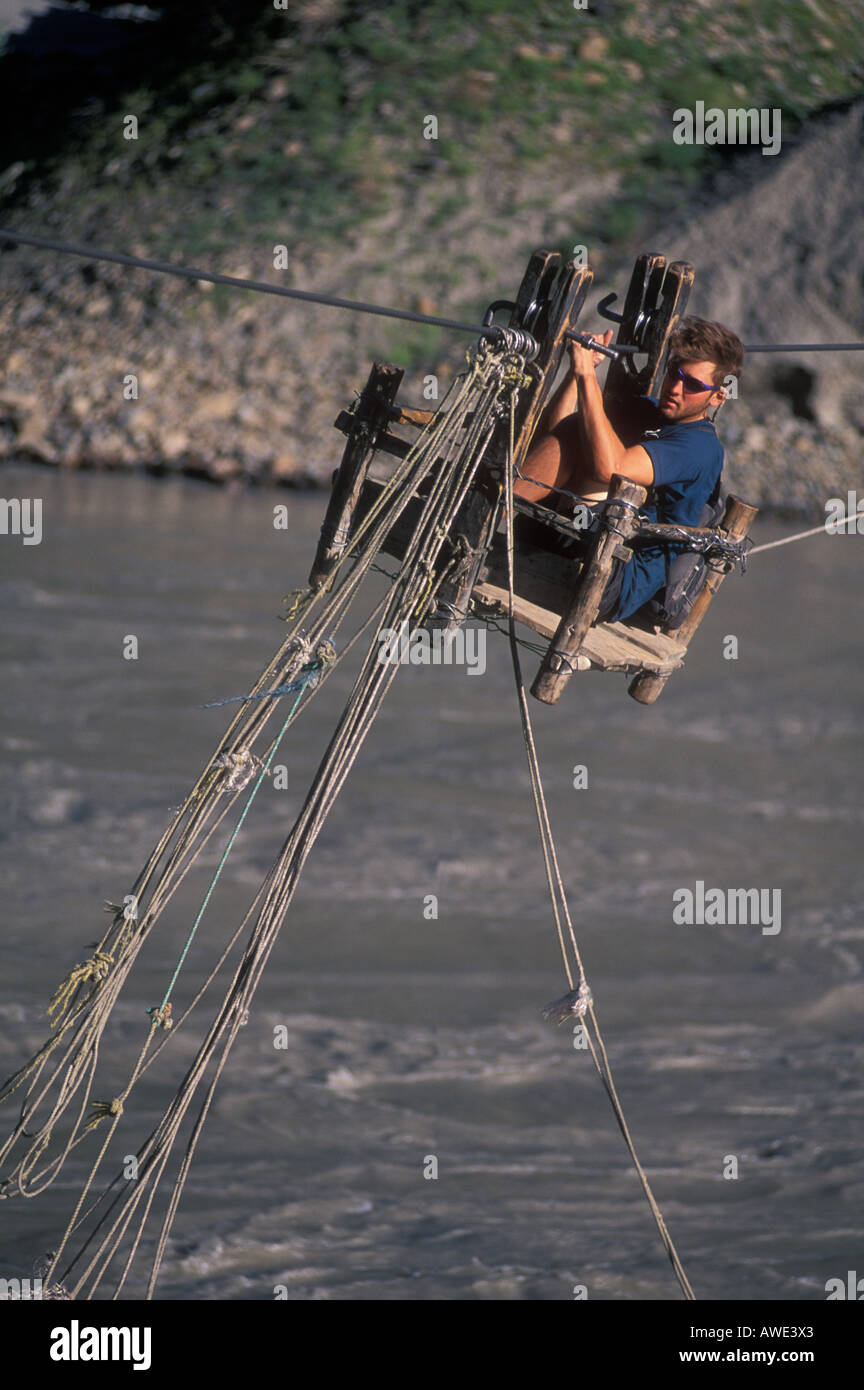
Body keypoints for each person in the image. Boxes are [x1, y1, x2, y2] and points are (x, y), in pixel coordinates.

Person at [513, 316, 745, 624]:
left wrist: (586, 377)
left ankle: (488, 514)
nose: (675, 388)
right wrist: (577, 373)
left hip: (615, 577)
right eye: (674, 373)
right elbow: (555, 437)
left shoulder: (701, 448)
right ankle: (493, 511)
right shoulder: (645, 410)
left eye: (691, 384)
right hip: (577, 536)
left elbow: (612, 468)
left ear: (718, 395)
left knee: (589, 447)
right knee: (577, 430)